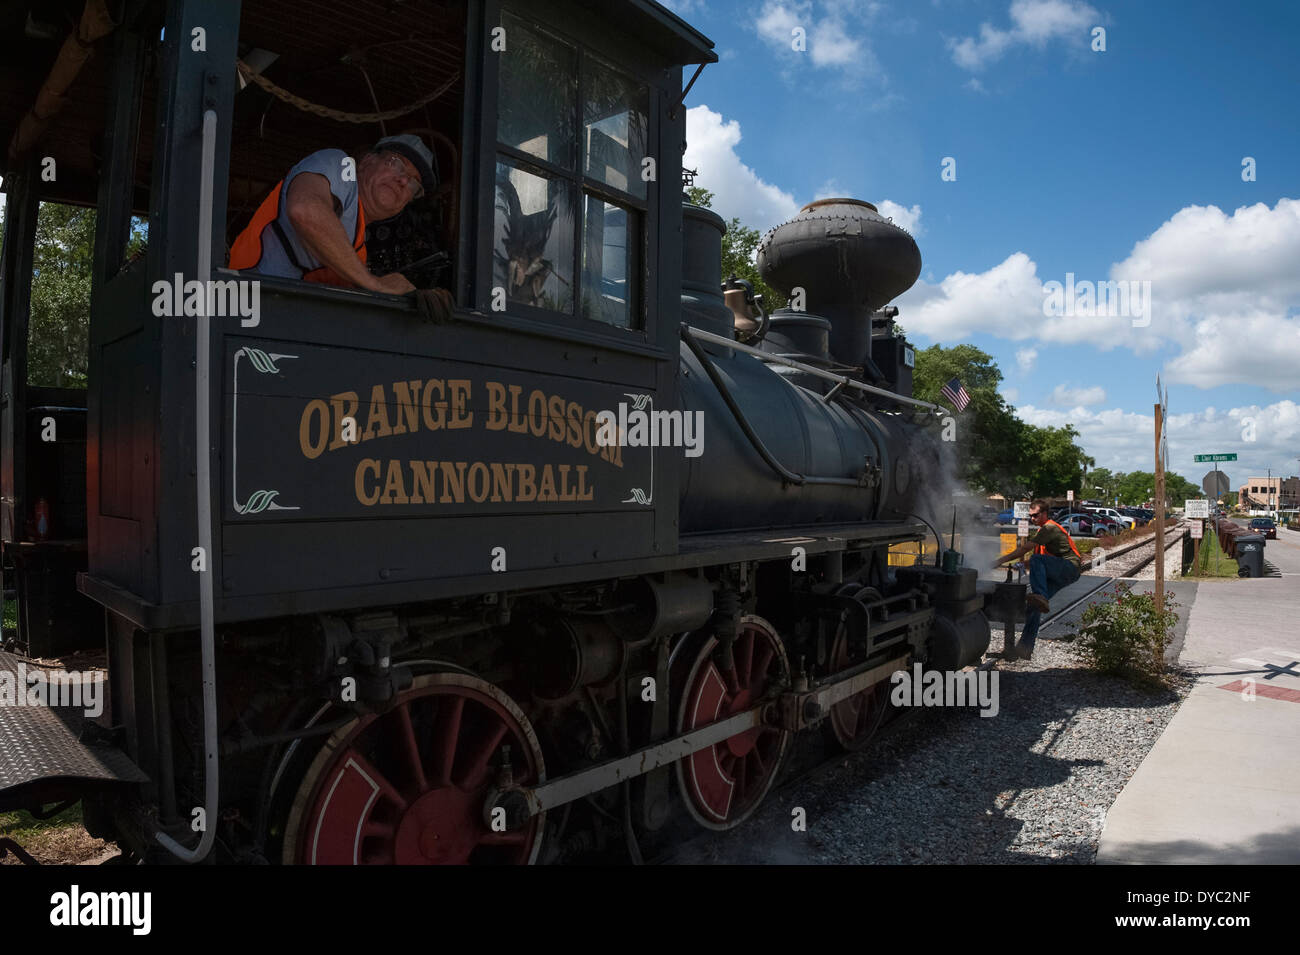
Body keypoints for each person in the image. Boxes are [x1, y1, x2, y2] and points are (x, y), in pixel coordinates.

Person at [228, 134, 435, 296]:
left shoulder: (356, 252)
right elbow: (305, 209)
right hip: (238, 301)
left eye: (414, 183)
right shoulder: (338, 163)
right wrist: (374, 283)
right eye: (395, 162)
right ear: (366, 162)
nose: (403, 180)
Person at [994, 498, 1082, 659]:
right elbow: (1037, 560)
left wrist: (1000, 560)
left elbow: (1025, 549)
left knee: (1038, 594)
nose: (1032, 519)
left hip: (1070, 567)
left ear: (1044, 514)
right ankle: (1025, 648)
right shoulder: (1043, 533)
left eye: (1035, 515)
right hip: (1065, 571)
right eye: (1030, 516)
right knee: (1035, 607)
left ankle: (1040, 594)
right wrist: (1021, 566)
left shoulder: (1049, 528)